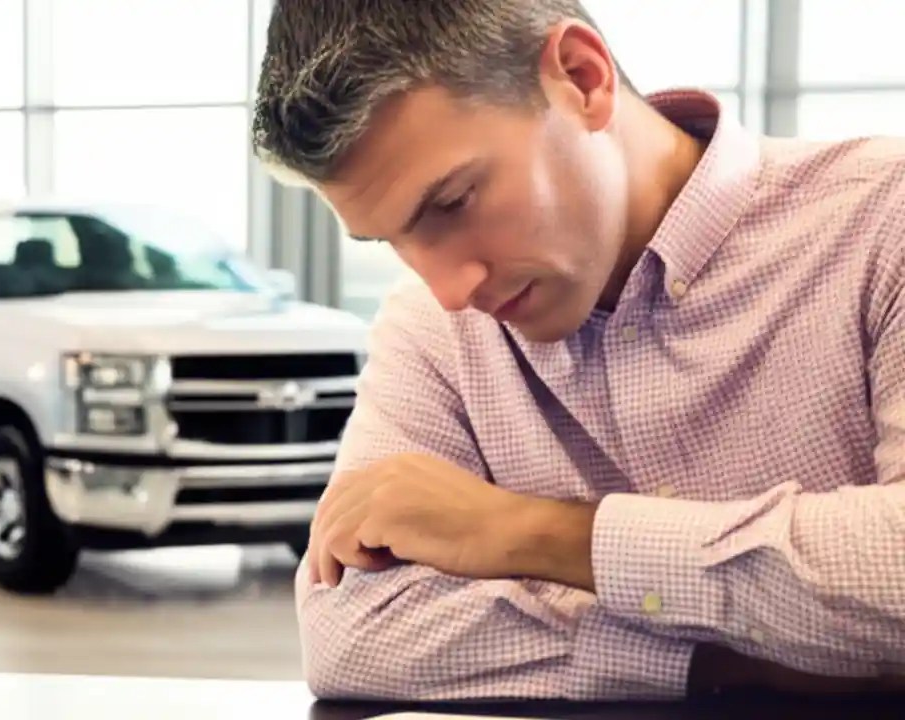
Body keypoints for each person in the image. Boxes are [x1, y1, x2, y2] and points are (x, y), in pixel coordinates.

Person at [251, 0, 905, 703]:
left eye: (453, 203)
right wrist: (746, 663)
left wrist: (530, 535)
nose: (446, 289)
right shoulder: (434, 331)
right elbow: (353, 630)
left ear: (582, 78)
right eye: (392, 242)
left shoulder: (882, 222)